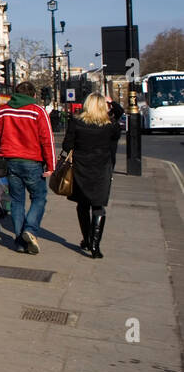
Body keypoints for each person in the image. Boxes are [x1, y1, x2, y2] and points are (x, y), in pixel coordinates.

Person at [0, 80, 55, 254]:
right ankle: (30, 229)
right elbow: (47, 140)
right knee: (39, 197)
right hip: (33, 161)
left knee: (17, 201)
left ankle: (20, 242)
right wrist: (51, 165)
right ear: (33, 95)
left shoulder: (3, 111)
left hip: (9, 160)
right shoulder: (38, 111)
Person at [62, 93, 121, 258]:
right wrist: (113, 103)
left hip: (81, 168)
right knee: (98, 206)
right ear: (103, 106)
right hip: (102, 169)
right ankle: (95, 247)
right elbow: (120, 114)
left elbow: (67, 145)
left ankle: (87, 240)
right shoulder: (110, 125)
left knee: (82, 205)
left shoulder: (76, 122)